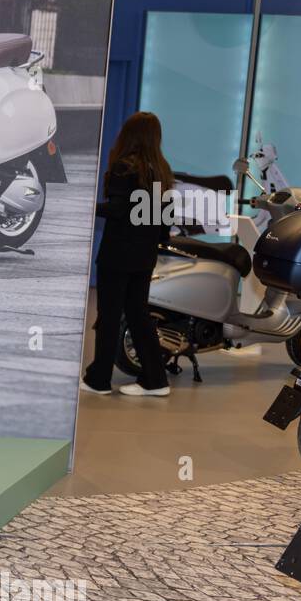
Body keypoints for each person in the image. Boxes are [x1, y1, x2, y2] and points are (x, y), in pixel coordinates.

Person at [82, 111, 174, 398]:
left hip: (118, 253)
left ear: (129, 135)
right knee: (138, 315)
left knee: (109, 316)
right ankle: (156, 379)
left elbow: (117, 209)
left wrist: (87, 206)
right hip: (144, 256)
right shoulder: (161, 170)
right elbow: (163, 223)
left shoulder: (125, 167)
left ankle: (99, 379)